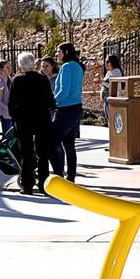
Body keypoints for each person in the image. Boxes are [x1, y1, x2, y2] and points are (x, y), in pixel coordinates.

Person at [9, 52, 56, 196]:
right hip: (41, 120)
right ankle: (43, 185)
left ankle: (27, 185)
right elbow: (50, 101)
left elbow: (12, 105)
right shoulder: (42, 79)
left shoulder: (17, 81)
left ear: (20, 65)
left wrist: (16, 118)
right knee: (43, 154)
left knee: (27, 154)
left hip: (24, 122)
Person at [50, 43, 85, 183]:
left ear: (65, 52)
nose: (57, 54)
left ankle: (58, 176)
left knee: (52, 143)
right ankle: (71, 176)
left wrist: (52, 103)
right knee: (69, 145)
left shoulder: (66, 67)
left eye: (58, 52)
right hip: (76, 109)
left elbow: (63, 91)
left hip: (65, 110)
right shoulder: (78, 66)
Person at [101, 55, 123, 125]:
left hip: (112, 101)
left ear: (113, 62)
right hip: (107, 101)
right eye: (105, 62)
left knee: (113, 122)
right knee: (109, 121)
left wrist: (103, 83)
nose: (106, 64)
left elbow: (110, 84)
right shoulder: (109, 72)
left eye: (108, 62)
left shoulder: (116, 71)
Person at [0, 60, 13, 137]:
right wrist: (8, 108)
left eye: (10, 67)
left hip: (10, 113)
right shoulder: (0, 82)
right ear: (1, 69)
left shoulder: (9, 79)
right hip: (5, 113)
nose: (9, 69)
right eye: (7, 67)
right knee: (7, 136)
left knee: (11, 136)